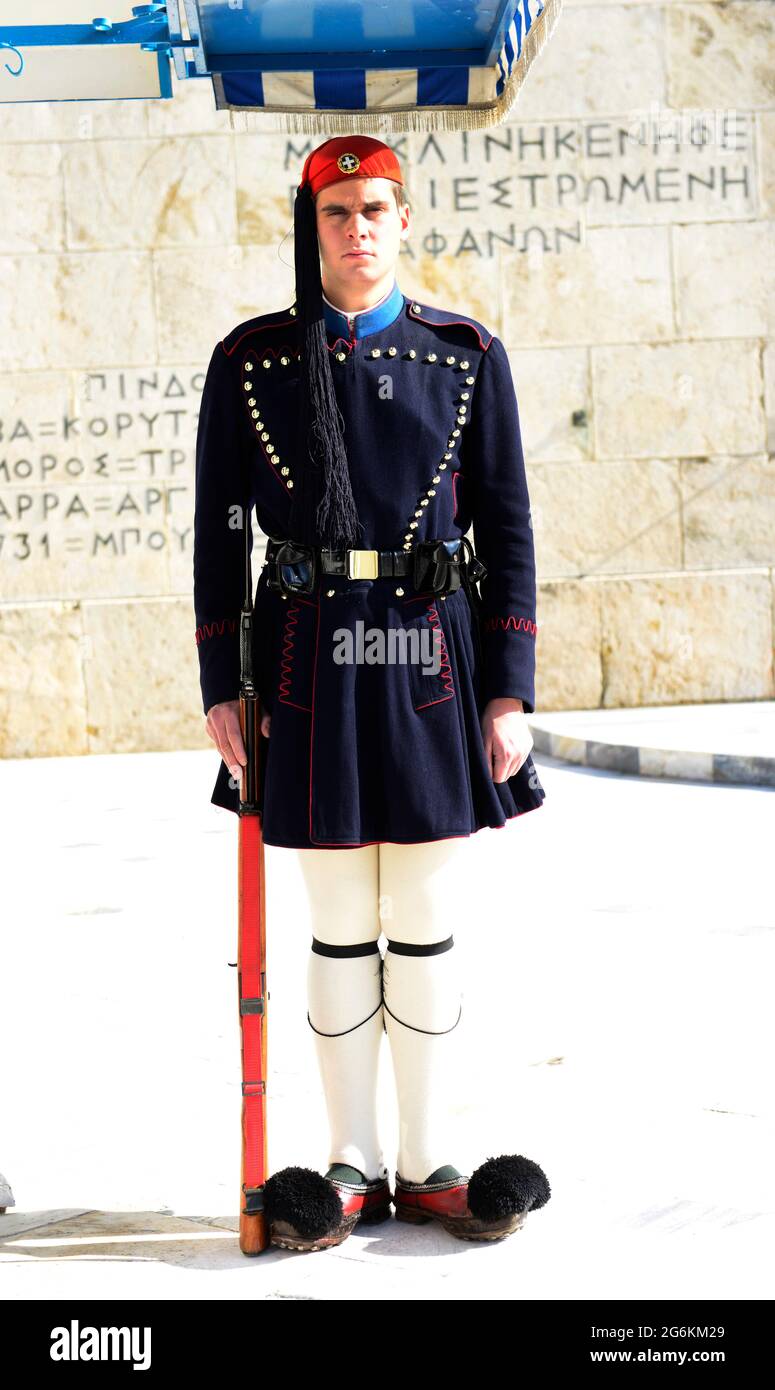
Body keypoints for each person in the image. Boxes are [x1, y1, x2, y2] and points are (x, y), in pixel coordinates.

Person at [193, 135, 551, 1250]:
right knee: (342, 920)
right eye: (339, 209)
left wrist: (509, 692)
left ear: (405, 222)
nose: (358, 228)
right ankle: (350, 1162)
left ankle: (426, 1158)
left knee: (428, 914)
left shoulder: (464, 352)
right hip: (304, 660)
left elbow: (509, 528)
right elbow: (216, 536)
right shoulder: (251, 360)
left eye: (377, 209)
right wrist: (221, 683)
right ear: (313, 226)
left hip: (431, 660)